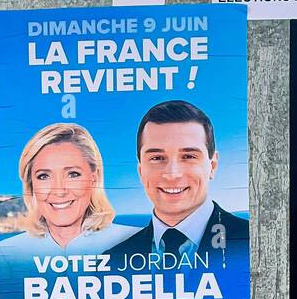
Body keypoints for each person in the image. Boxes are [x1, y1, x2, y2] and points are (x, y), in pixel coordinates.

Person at [105, 100, 248, 266]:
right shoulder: (113, 260)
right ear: (140, 171)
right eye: (157, 158)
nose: (172, 174)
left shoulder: (254, 242)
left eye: (188, 157)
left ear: (213, 166)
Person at [0, 123, 137, 259]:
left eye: (73, 174)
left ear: (94, 177)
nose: (59, 191)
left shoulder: (136, 243)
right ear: (31, 185)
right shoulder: (4, 257)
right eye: (44, 176)